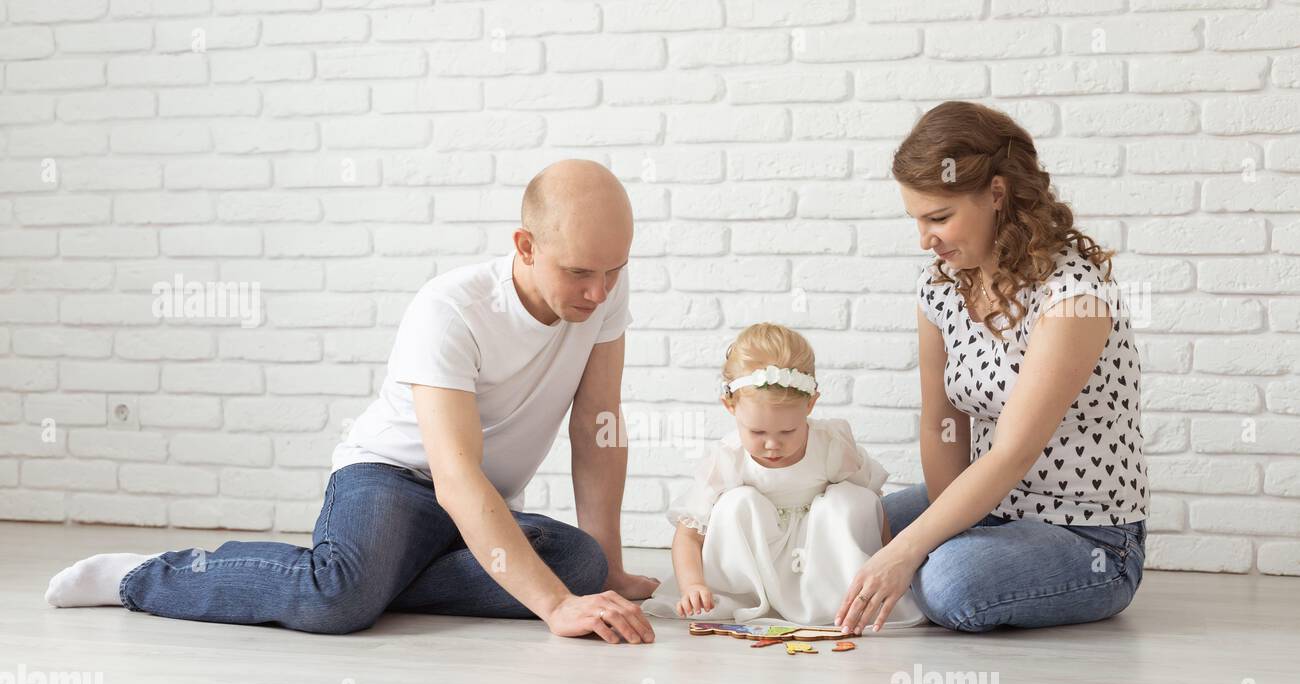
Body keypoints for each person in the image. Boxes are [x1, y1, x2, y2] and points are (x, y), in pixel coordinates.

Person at [45, 160, 659, 644]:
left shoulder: (603, 288)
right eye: (580, 272)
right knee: (339, 598)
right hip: (390, 479)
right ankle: (144, 575)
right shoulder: (451, 310)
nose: (599, 291)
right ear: (524, 246)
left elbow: (597, 420)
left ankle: (377, 575)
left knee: (580, 565)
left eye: (614, 270)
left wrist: (606, 566)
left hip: (475, 504)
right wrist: (552, 605)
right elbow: (453, 473)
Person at [838, 101, 1149, 636]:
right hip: (993, 504)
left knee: (950, 582)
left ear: (997, 194)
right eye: (916, 219)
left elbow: (1013, 451)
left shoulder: (1074, 297)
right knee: (846, 523)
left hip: (1086, 533)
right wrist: (930, 530)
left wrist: (912, 549)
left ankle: (944, 565)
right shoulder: (940, 286)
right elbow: (943, 421)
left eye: (939, 218)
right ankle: (930, 556)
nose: (924, 239)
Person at [641, 322, 925, 629]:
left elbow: (873, 509)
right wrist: (693, 585)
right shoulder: (729, 459)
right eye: (757, 432)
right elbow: (688, 535)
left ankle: (846, 596)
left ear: (811, 403)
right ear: (730, 407)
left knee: (851, 498)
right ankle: (746, 597)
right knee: (737, 502)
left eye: (788, 431)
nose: (772, 444)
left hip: (819, 562)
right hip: (756, 563)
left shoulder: (830, 445)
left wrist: (884, 560)